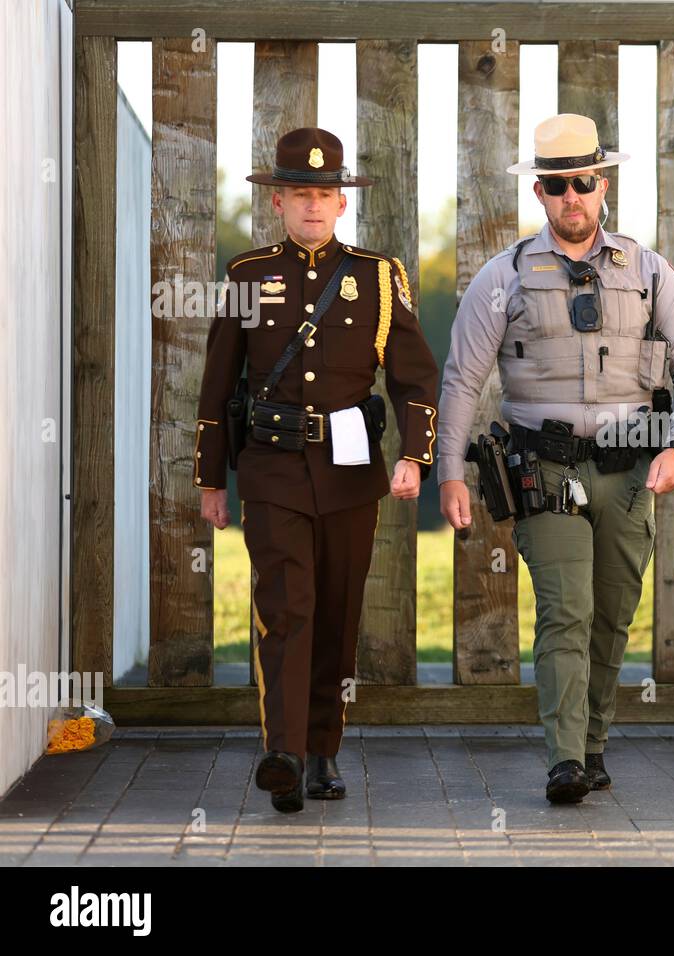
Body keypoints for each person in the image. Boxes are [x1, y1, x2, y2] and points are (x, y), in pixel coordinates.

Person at [438, 113, 674, 802]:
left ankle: (592, 745)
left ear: (602, 183)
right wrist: (448, 472)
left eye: (583, 183)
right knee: (566, 610)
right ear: (539, 192)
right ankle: (563, 759)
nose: (572, 199)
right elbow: (463, 377)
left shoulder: (648, 271)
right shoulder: (503, 277)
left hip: (626, 472)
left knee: (612, 614)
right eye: (558, 186)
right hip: (544, 471)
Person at [194, 127, 440, 813]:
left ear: (341, 204)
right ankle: (284, 753)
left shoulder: (377, 278)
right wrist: (213, 480)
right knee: (286, 608)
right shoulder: (246, 276)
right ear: (277, 202)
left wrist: (415, 456)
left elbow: (415, 378)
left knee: (336, 611)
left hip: (350, 473)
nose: (311, 207)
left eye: (323, 194)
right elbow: (217, 385)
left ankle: (325, 750)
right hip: (271, 469)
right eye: (299, 194)